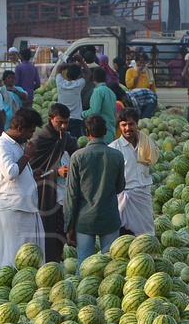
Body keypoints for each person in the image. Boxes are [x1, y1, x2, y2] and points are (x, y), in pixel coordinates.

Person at [68, 115, 126, 264]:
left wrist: (69, 225)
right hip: (109, 218)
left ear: (87, 132)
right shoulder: (117, 156)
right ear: (105, 131)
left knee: (84, 263)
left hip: (85, 220)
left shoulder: (77, 157)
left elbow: (71, 194)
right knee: (110, 264)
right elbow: (120, 187)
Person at [0, 108, 43, 268]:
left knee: (28, 258)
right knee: (14, 257)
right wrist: (27, 156)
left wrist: (32, 175)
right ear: (20, 128)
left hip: (26, 208)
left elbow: (17, 175)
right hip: (14, 209)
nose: (31, 136)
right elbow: (11, 172)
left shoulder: (16, 145)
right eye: (30, 131)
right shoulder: (1, 146)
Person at [29, 108, 79, 264]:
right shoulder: (39, 140)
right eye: (60, 122)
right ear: (50, 119)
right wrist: (55, 172)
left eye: (66, 123)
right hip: (46, 195)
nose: (63, 127)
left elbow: (76, 152)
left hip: (65, 195)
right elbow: (30, 171)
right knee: (50, 234)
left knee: (64, 235)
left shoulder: (66, 138)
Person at [112, 108, 156, 237]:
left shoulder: (147, 145)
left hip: (142, 197)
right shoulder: (114, 149)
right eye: (123, 125)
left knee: (146, 238)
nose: (127, 128)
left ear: (137, 124)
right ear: (119, 126)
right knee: (122, 239)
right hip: (123, 199)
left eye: (131, 124)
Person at [84, 66, 118, 143]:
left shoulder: (97, 92)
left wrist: (83, 114)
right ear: (105, 79)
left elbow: (95, 111)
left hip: (101, 133)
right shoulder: (111, 92)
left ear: (93, 79)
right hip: (111, 131)